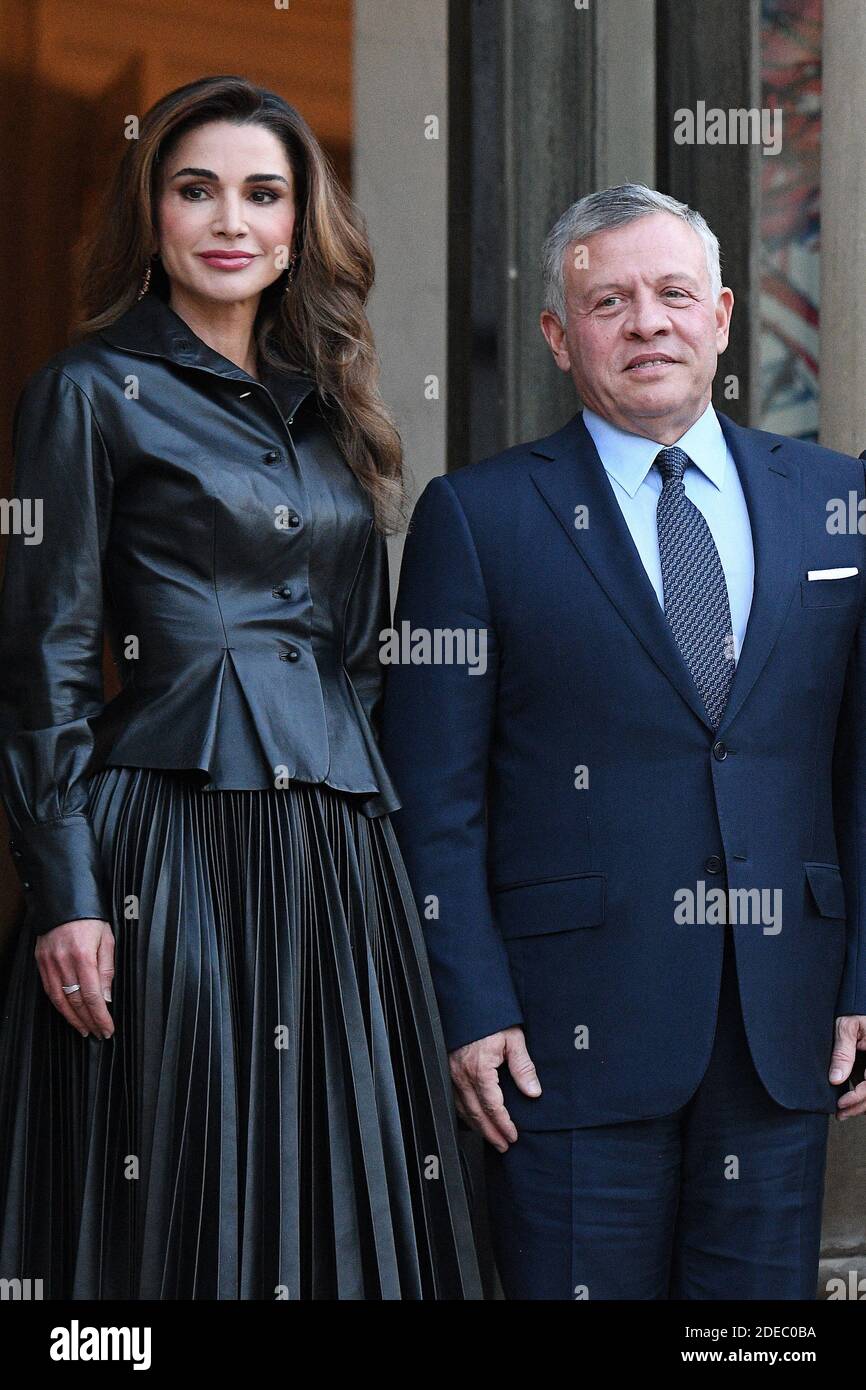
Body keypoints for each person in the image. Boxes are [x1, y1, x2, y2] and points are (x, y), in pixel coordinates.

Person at [0, 74, 481, 1301]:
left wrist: (380, 860)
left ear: (297, 225)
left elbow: (359, 659)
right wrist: (65, 891)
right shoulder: (84, 390)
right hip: (164, 845)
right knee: (177, 1181)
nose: (230, 219)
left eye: (263, 193)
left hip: (333, 859)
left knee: (341, 1187)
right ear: (151, 212)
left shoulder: (333, 416)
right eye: (195, 188)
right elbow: (45, 654)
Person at [380, 183, 866, 1300]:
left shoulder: (837, 502)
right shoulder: (477, 517)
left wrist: (858, 970)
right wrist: (471, 1005)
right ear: (557, 334)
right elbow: (433, 795)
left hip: (780, 1027)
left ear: (722, 315)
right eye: (607, 301)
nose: (644, 322)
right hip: (560, 1041)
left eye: (670, 294)